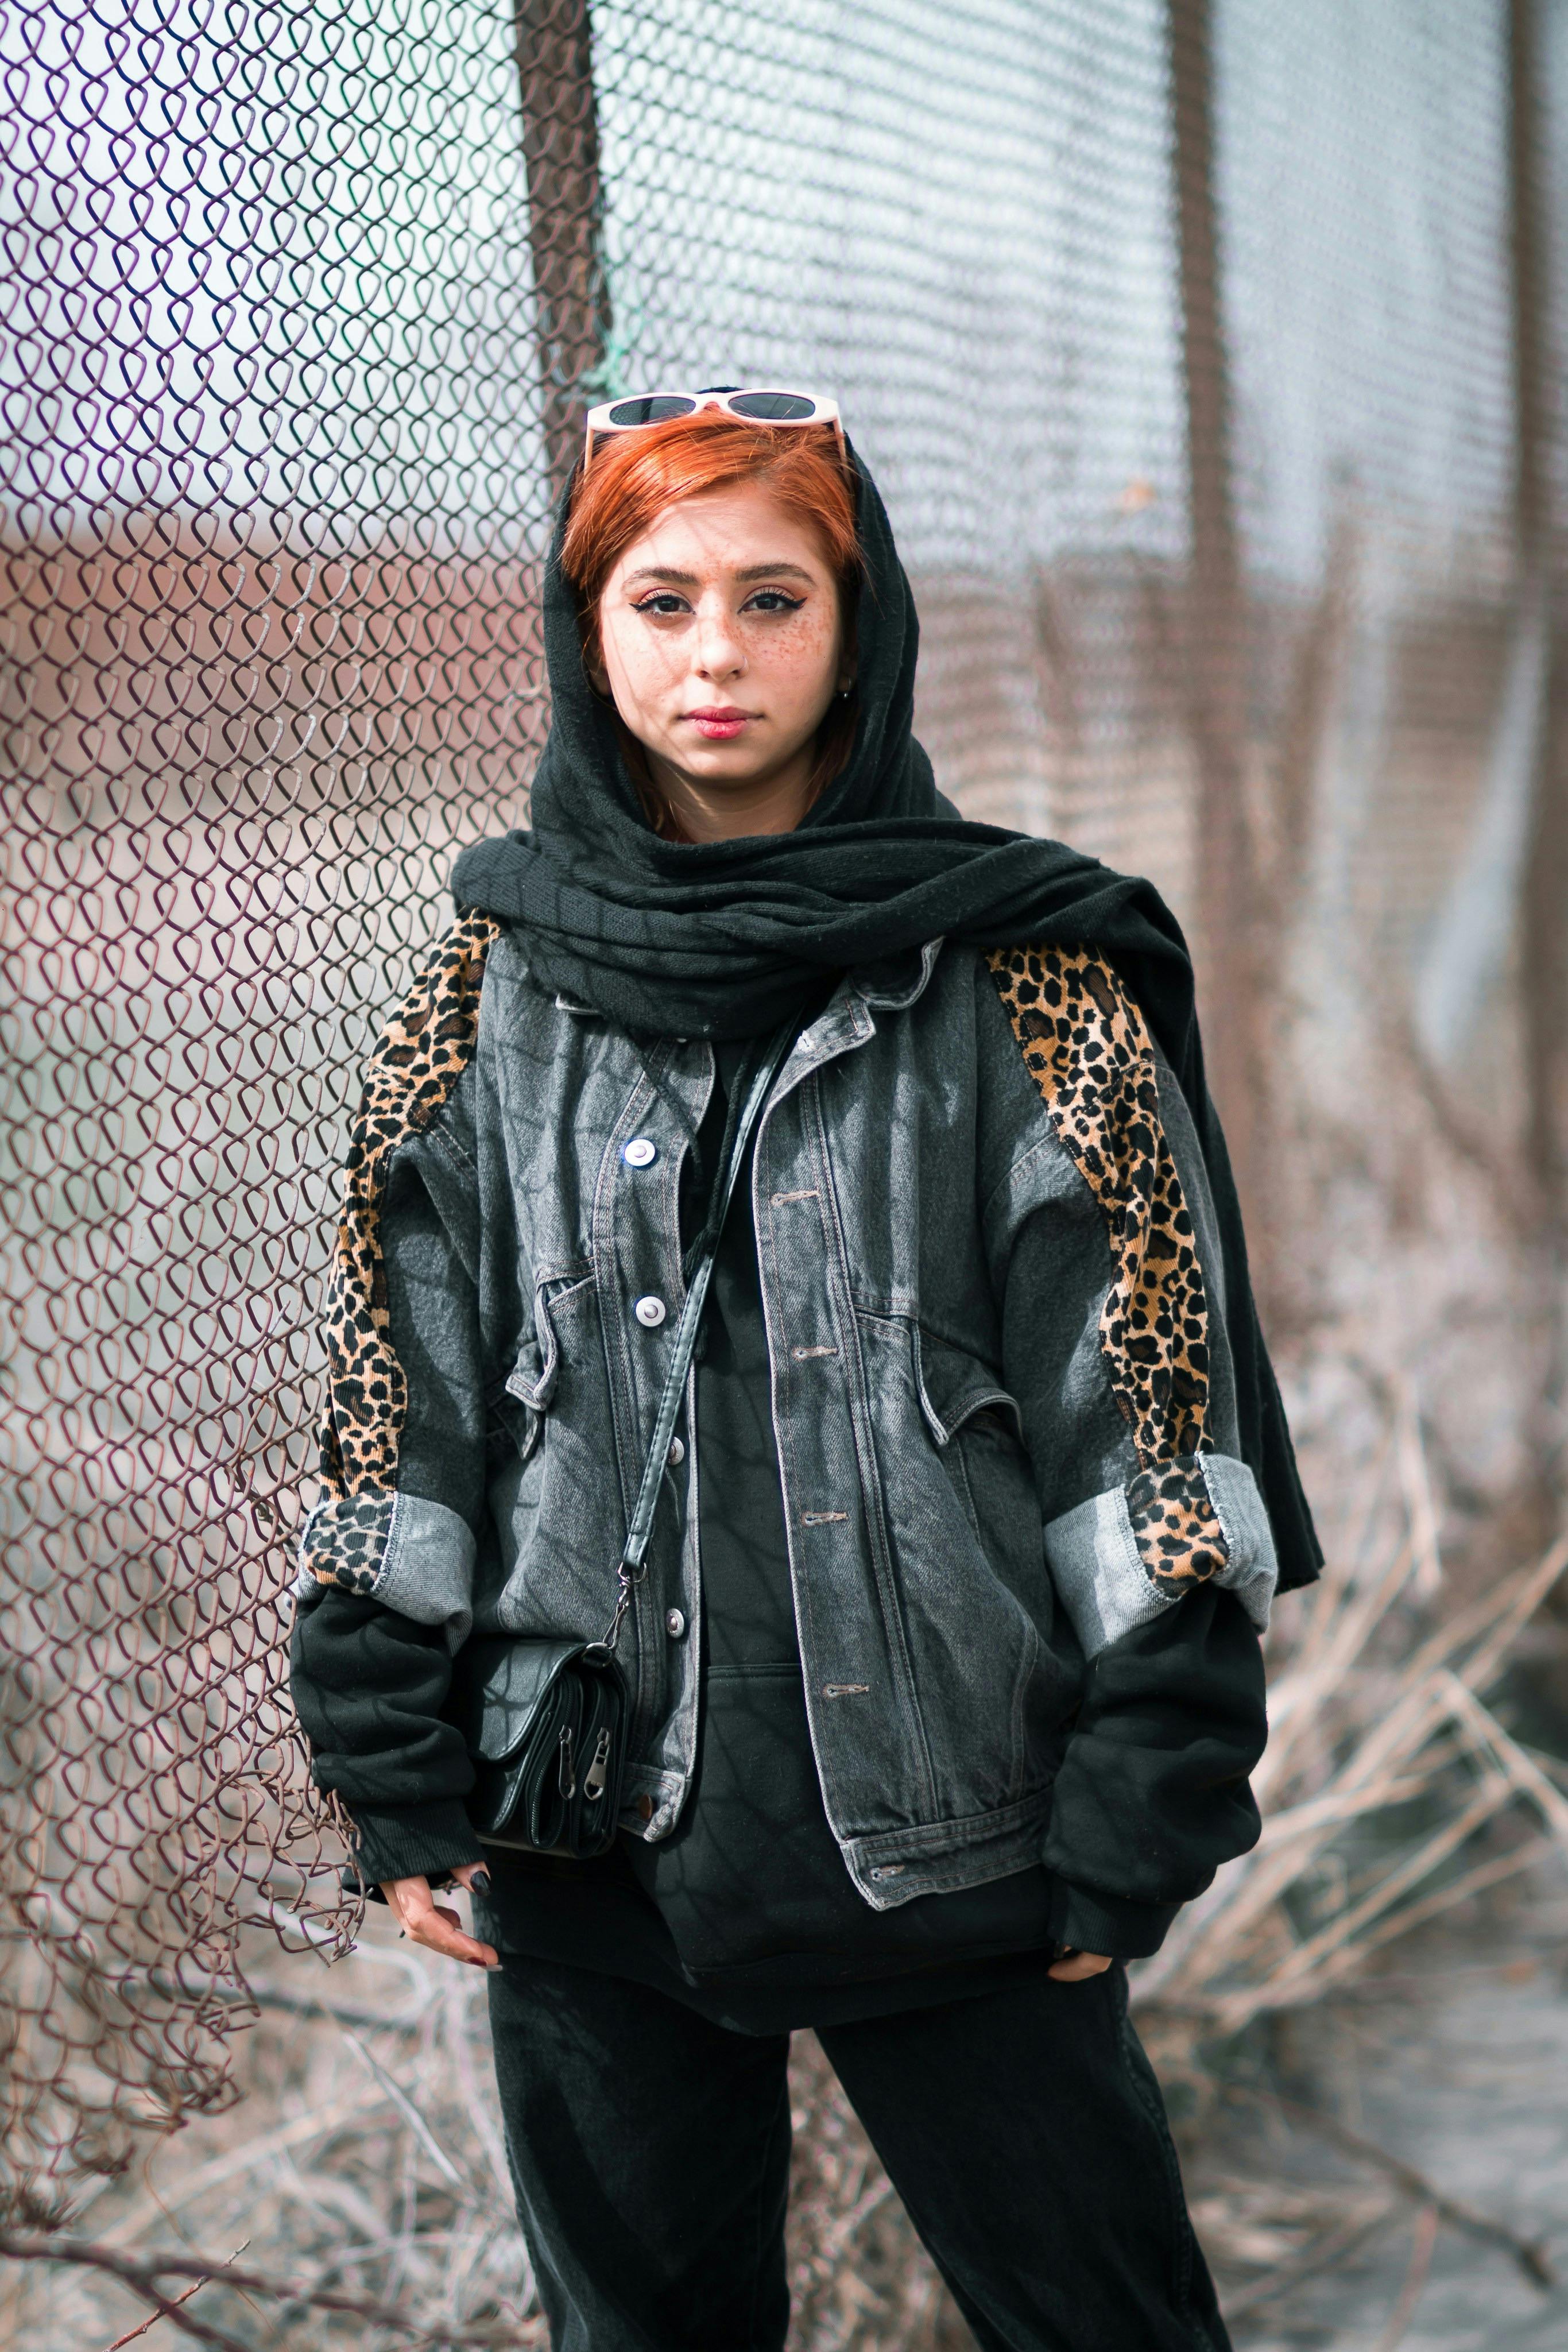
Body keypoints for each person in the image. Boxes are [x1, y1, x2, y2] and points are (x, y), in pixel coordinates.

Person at [289, 386, 1321, 2352]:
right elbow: (397, 1383)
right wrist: (388, 1751)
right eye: (661, 600)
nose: (715, 655)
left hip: (978, 1848)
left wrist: (1148, 1787)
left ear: (858, 629)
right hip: (589, 1831)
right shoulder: (488, 990)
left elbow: (1142, 1404)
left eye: (773, 600)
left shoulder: (1026, 975)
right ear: (587, 631)